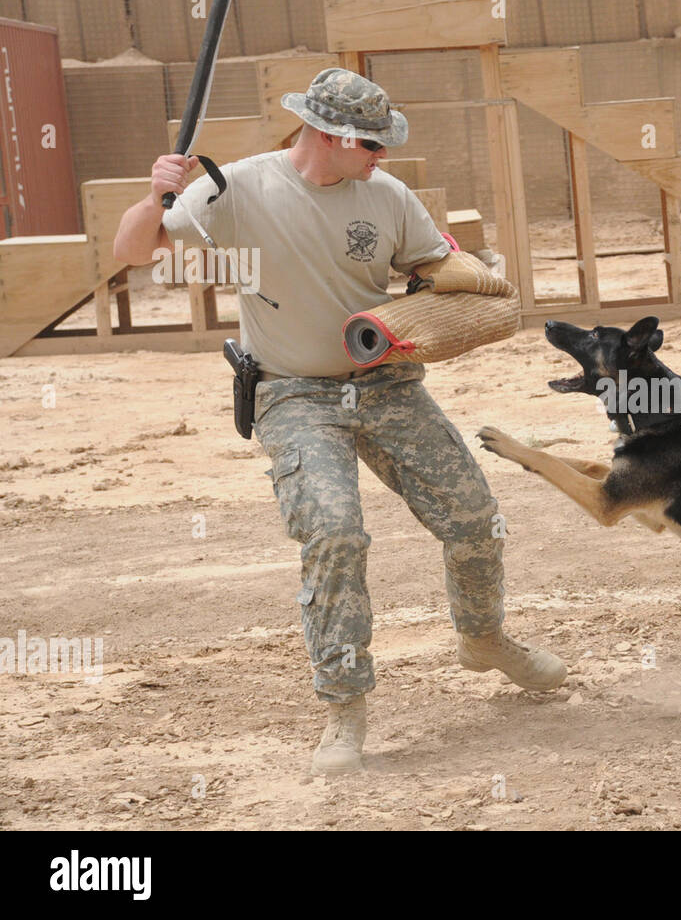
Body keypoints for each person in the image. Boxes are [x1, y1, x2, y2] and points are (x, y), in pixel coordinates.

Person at [113, 68, 566, 774]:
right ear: (326, 134)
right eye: (371, 146)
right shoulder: (238, 189)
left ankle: (483, 638)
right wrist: (153, 197)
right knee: (334, 533)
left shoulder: (386, 196)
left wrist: (459, 277)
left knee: (475, 515)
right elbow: (134, 253)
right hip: (294, 394)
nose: (381, 157)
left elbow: (434, 264)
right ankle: (344, 708)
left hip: (384, 382)